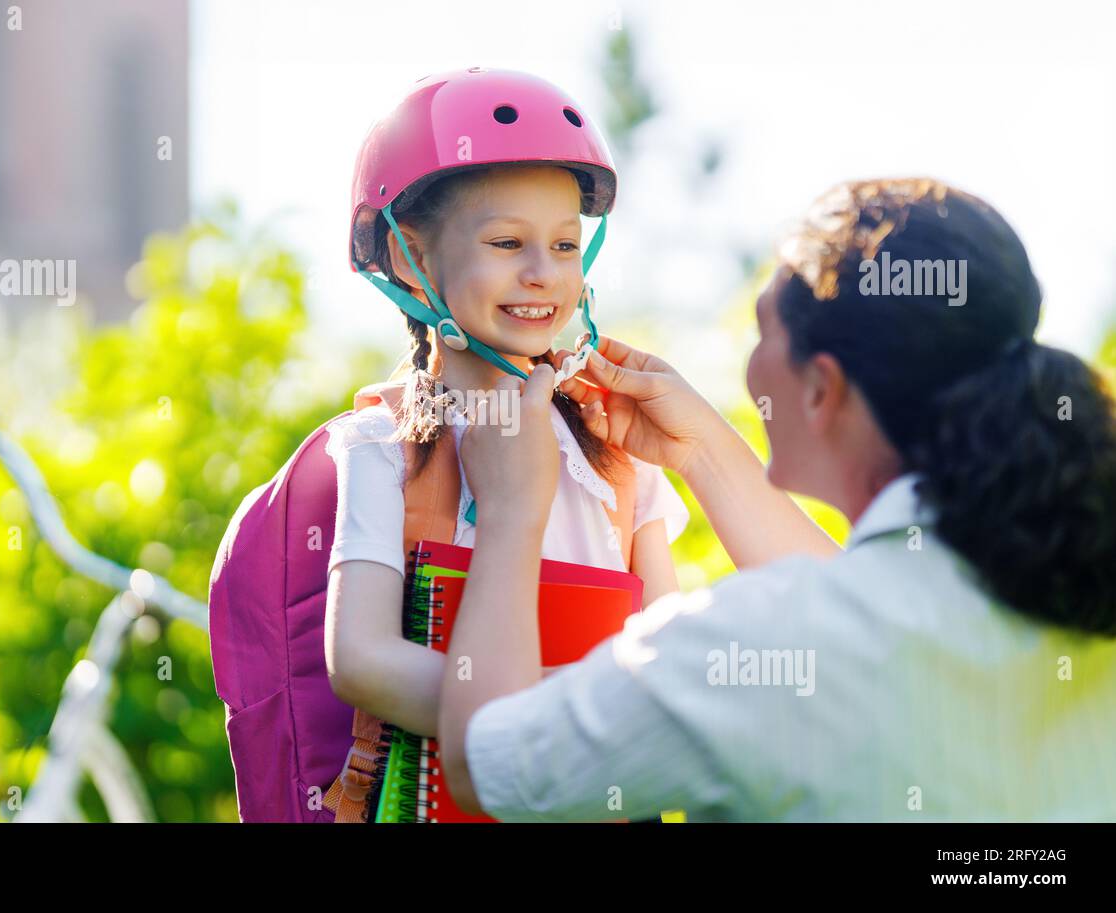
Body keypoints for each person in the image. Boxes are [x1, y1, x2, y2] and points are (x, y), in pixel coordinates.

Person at [437, 178, 1116, 822]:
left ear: (822, 388)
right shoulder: (1057, 585)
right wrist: (703, 450)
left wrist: (510, 513)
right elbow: (862, 612)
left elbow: (483, 760)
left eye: (764, 332)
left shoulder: (740, 648)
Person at [325, 69, 700, 742]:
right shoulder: (384, 444)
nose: (544, 272)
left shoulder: (614, 447)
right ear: (408, 259)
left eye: (564, 244)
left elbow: (665, 638)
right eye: (506, 243)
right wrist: (550, 716)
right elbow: (361, 660)